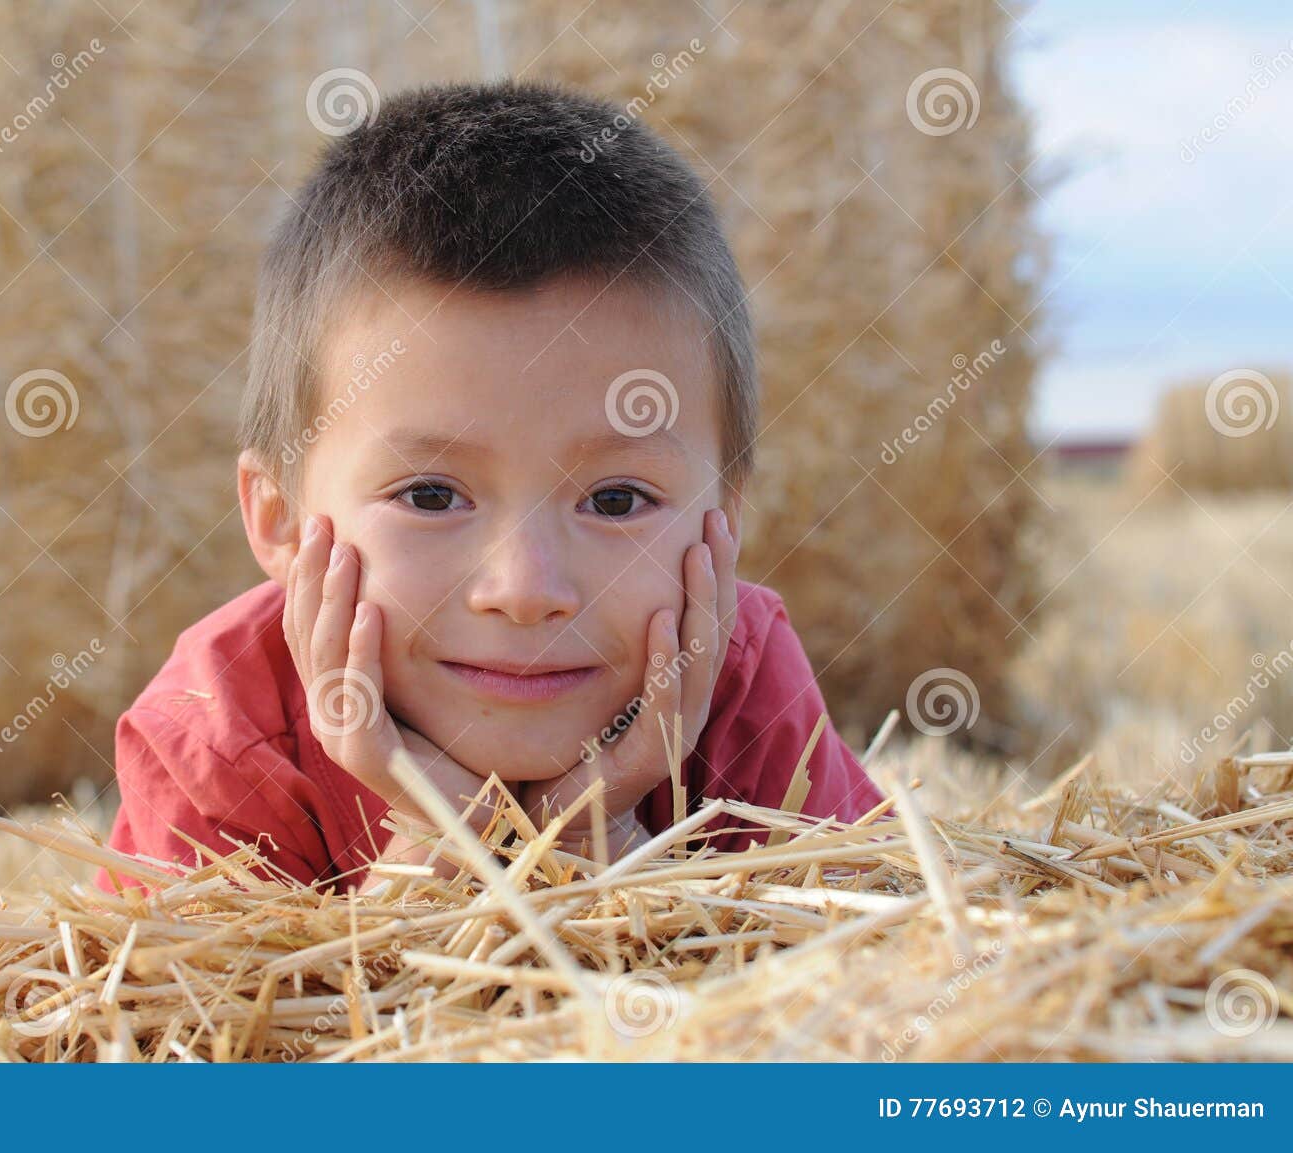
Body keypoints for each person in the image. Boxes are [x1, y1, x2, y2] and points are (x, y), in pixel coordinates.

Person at [95, 80, 884, 897]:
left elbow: (887, 966)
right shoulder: (219, 739)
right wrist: (429, 862)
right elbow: (193, 1021)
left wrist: (600, 841)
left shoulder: (742, 689)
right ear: (279, 519)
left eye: (615, 500)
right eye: (431, 496)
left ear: (725, 520)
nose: (525, 590)